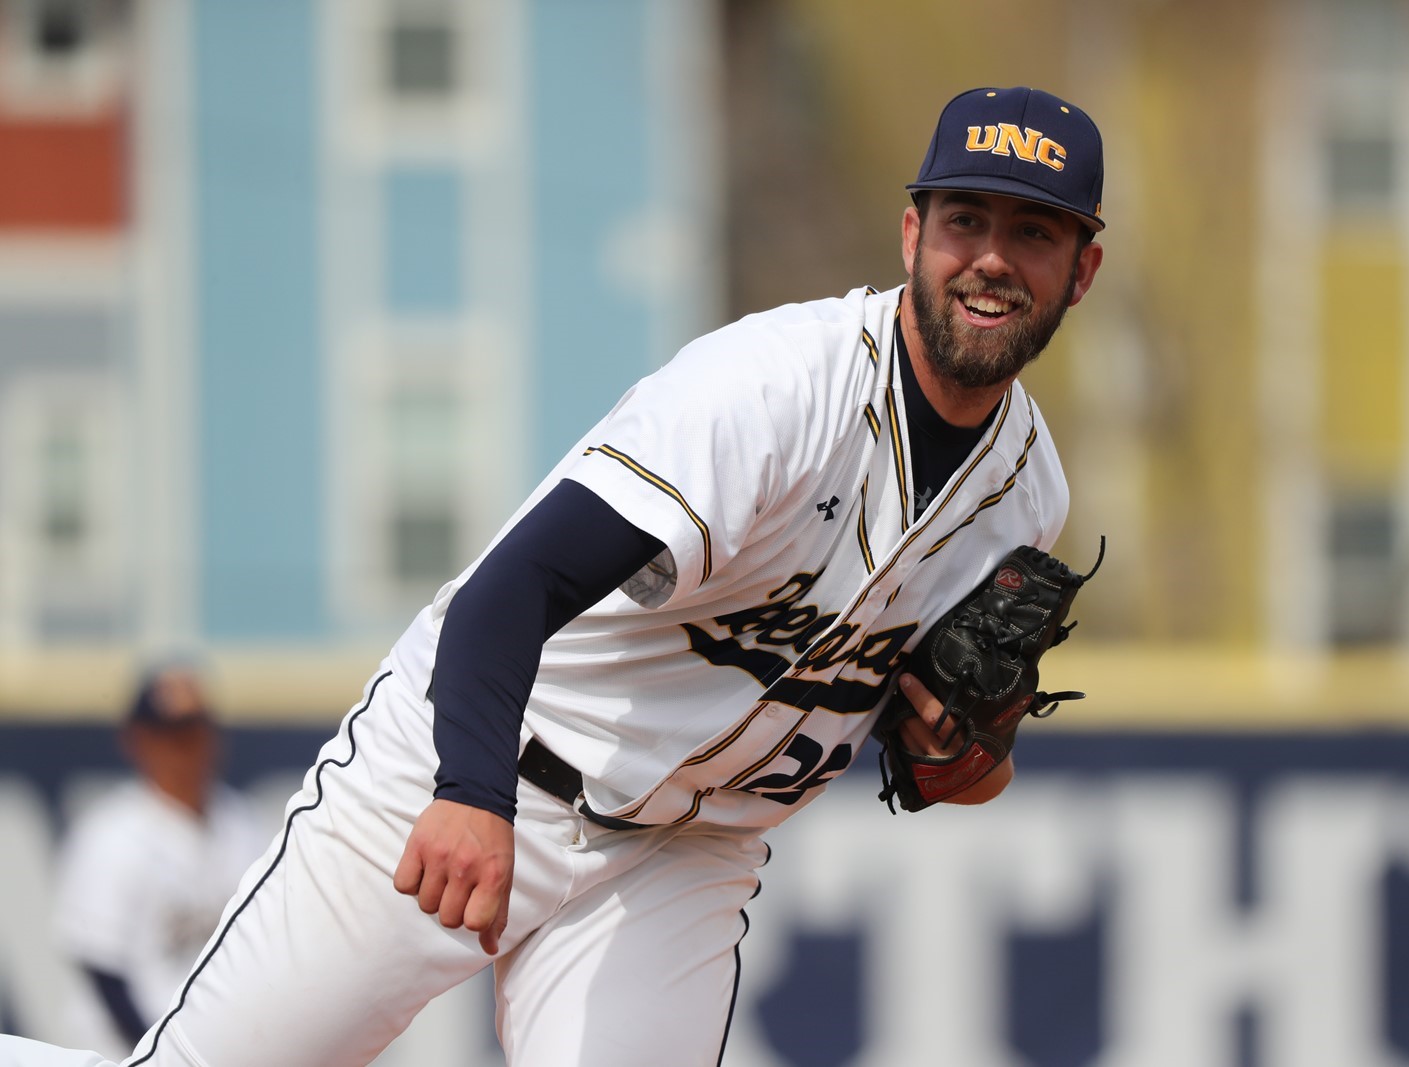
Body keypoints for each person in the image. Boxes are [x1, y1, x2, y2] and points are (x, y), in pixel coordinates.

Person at [0, 84, 1106, 1067]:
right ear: (913, 231)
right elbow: (505, 591)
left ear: (1082, 268)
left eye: (1033, 230)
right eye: (965, 219)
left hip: (683, 848)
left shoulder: (1029, 494)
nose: (993, 256)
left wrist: (971, 751)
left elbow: (932, 732)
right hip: (477, 761)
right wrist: (470, 792)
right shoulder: (770, 390)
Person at [51, 667, 265, 1058]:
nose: (184, 748)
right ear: (137, 740)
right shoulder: (110, 834)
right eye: (169, 735)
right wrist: (162, 1056)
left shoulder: (244, 825)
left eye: (193, 731)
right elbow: (104, 976)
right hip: (121, 1055)